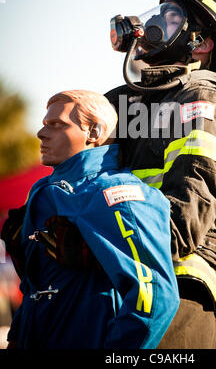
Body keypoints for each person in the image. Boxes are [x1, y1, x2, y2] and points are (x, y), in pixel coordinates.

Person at [105, 0, 216, 348]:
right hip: (128, 275)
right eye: (159, 13)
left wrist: (105, 249)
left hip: (177, 282)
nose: (154, 23)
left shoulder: (201, 99)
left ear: (201, 44)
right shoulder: (128, 99)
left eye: (172, 17)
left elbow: (186, 215)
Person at [1, 90, 179, 349]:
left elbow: (156, 296)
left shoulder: (117, 194)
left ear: (94, 133)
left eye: (57, 125)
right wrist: (17, 337)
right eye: (43, 124)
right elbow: (33, 288)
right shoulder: (42, 192)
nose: (41, 133)